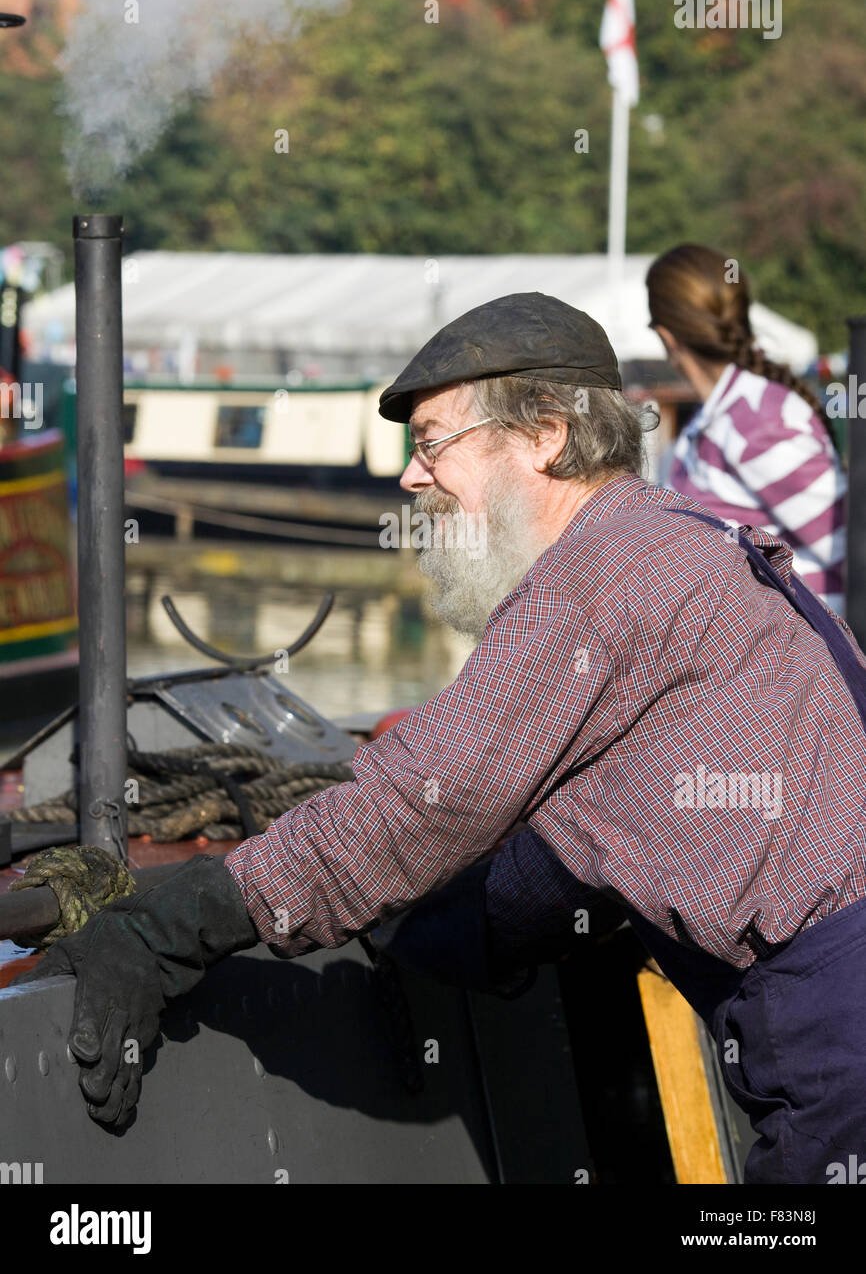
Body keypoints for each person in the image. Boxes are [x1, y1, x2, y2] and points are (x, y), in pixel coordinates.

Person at [27, 292, 866, 1185]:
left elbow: (421, 805)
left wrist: (171, 927)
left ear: (546, 434)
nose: (410, 479)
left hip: (836, 1033)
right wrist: (446, 931)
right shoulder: (679, 539)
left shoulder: (588, 584)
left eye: (431, 441)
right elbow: (581, 845)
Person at [647, 243, 847, 613]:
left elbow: (847, 550)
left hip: (796, 664)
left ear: (666, 337)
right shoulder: (720, 417)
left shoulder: (757, 420)